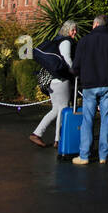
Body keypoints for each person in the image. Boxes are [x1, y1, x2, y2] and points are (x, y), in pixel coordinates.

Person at [72, 14, 108, 165]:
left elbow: (77, 65)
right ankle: (103, 155)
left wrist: (77, 75)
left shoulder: (84, 40)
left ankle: (84, 155)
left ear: (94, 24)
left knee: (87, 119)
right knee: (106, 119)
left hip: (89, 84)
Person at [29, 20, 77, 148]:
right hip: (61, 79)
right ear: (67, 30)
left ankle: (37, 133)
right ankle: (58, 139)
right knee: (63, 108)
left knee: (56, 108)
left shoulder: (56, 40)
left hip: (51, 79)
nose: (75, 32)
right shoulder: (66, 41)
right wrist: (75, 72)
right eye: (73, 30)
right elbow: (67, 59)